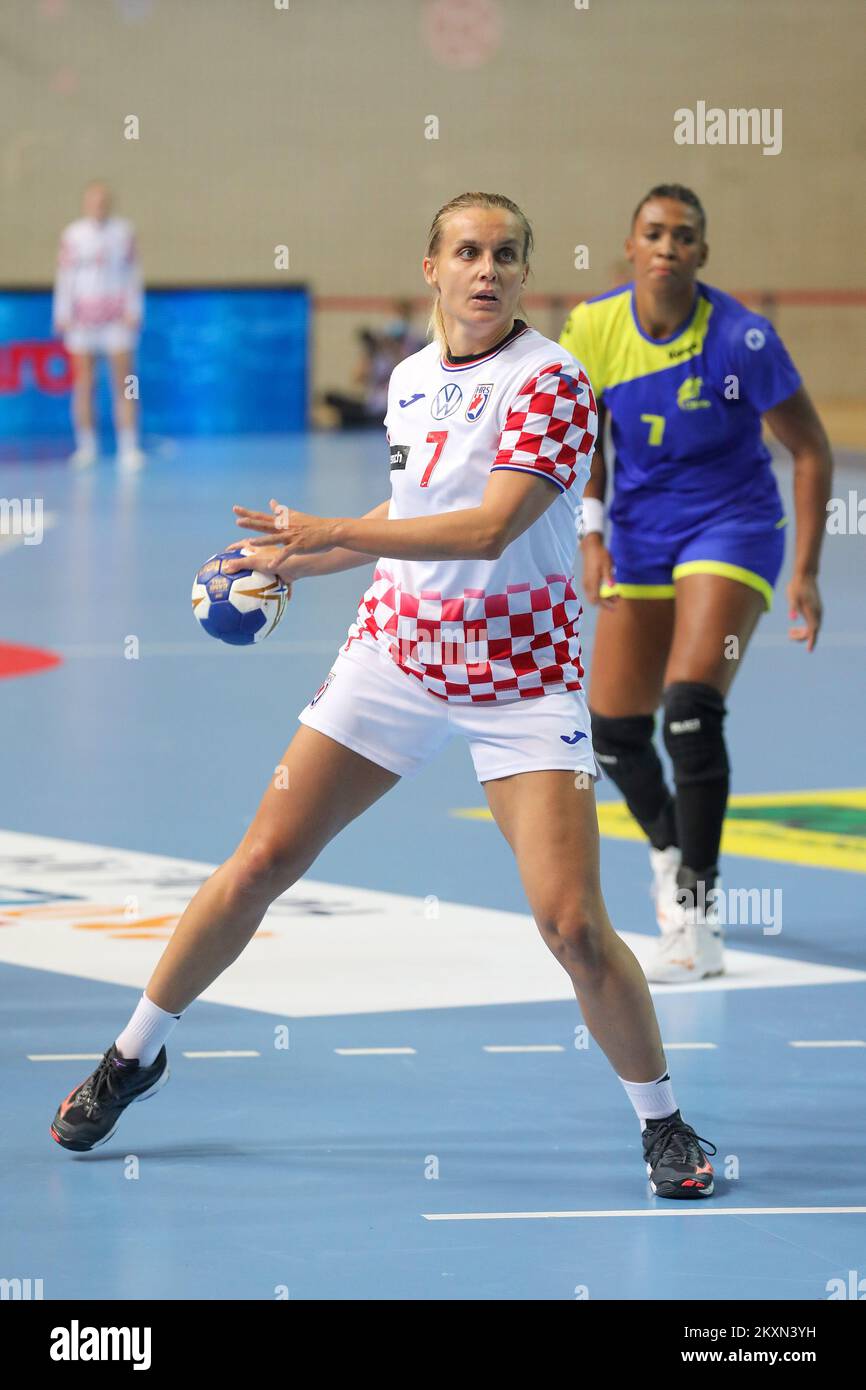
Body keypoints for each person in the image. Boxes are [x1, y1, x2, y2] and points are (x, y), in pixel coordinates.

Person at [51, 192, 716, 1199]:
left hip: (518, 676)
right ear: (431, 267)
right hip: (397, 652)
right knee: (261, 858)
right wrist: (301, 559)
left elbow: (488, 529)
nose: (484, 270)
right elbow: (413, 512)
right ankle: (131, 1056)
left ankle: (661, 1122)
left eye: (502, 254)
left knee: (571, 924)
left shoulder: (552, 382)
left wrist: (334, 533)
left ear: (522, 272)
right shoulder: (407, 380)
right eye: (465, 252)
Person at [559, 184, 832, 983]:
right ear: (632, 246)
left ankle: (698, 910)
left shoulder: (743, 342)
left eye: (685, 236)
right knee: (612, 730)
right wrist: (592, 531)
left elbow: (810, 451)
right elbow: (587, 440)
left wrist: (807, 573)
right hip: (640, 533)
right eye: (654, 233)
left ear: (702, 254)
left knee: (688, 711)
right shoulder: (593, 327)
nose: (668, 246)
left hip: (732, 528)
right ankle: (672, 847)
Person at [52, 180, 145, 470]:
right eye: (93, 201)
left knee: (125, 383)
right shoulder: (73, 235)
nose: (98, 207)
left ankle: (129, 446)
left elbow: (134, 273)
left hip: (116, 319)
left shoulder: (124, 233)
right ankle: (87, 446)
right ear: (85, 204)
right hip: (83, 320)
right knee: (84, 383)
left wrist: (135, 309)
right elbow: (65, 276)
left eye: (103, 201)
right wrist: (62, 312)